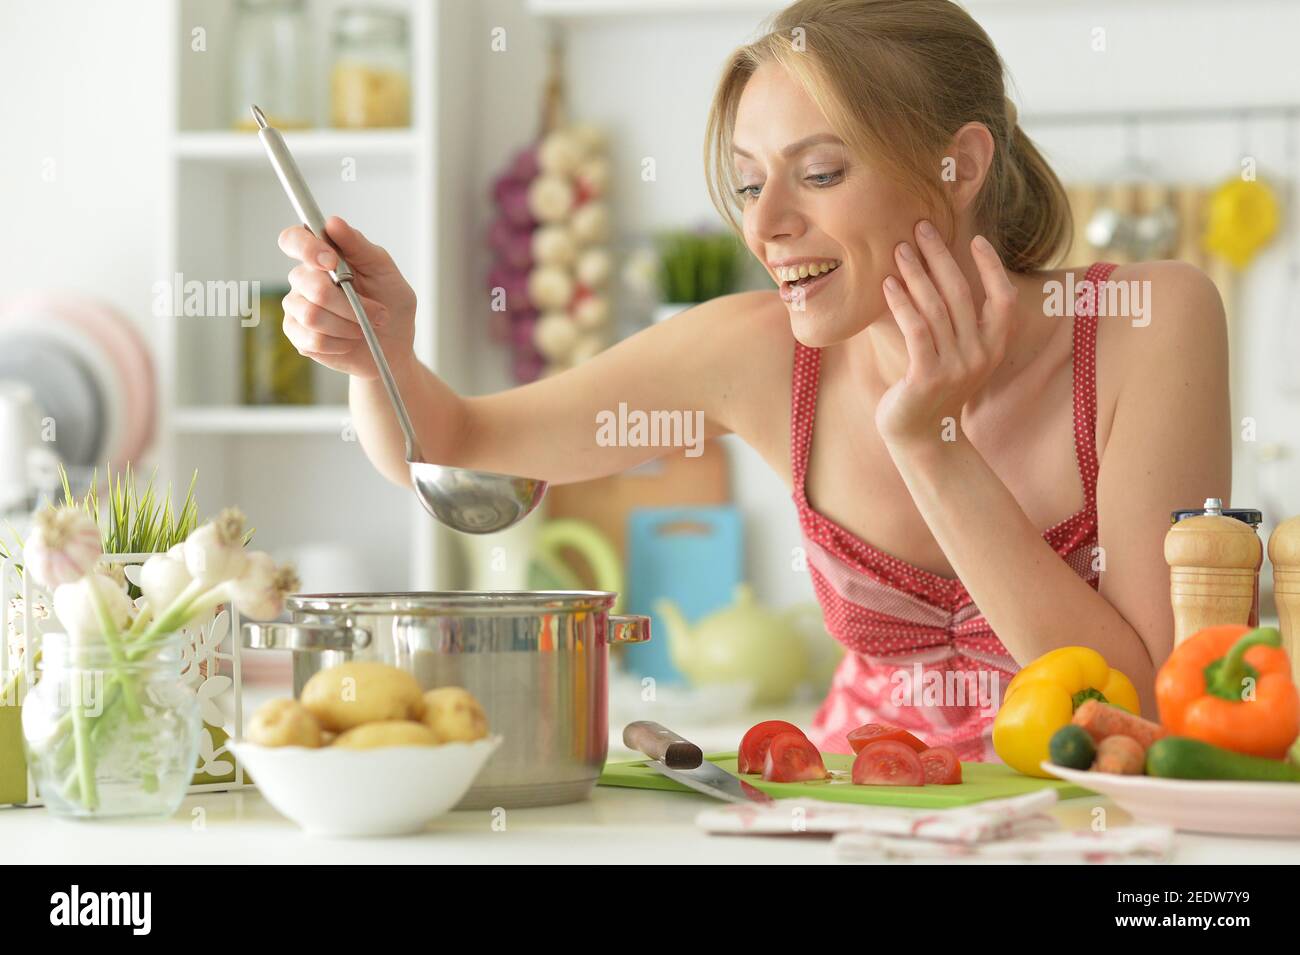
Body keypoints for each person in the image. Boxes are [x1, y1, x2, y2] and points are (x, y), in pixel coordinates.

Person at [276, 0, 1229, 758]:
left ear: (962, 162)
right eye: (746, 181)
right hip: (853, 818)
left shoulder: (1150, 326)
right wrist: (380, 355)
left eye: (817, 173)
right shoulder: (761, 356)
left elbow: (1142, 704)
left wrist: (931, 444)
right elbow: (453, 450)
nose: (764, 224)